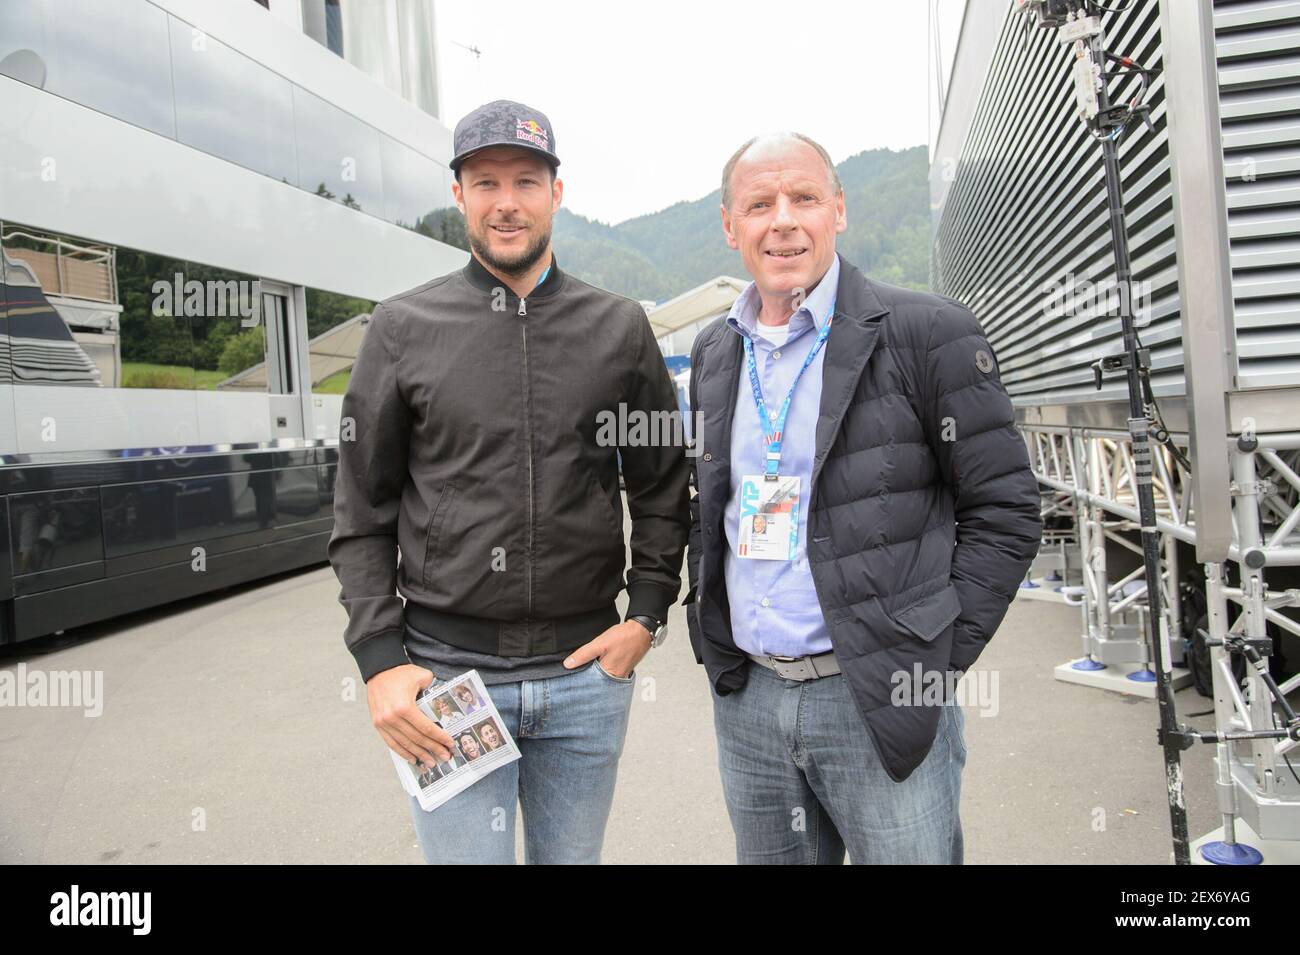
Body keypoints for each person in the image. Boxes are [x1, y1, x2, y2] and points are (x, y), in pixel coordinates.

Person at [328, 99, 689, 865]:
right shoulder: (401, 328)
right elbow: (361, 508)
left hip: (584, 678)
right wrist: (379, 659)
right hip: (447, 685)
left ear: (557, 192)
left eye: (526, 181)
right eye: (485, 181)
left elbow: (661, 483)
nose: (506, 202)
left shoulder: (618, 327)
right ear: (458, 194)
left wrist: (647, 614)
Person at [684, 132, 1042, 864]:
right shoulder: (715, 352)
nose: (782, 219)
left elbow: (1005, 511)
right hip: (750, 699)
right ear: (730, 226)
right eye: (759, 204)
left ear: (838, 211)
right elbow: (711, 506)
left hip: (879, 696)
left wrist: (928, 657)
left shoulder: (925, 332)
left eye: (804, 198)